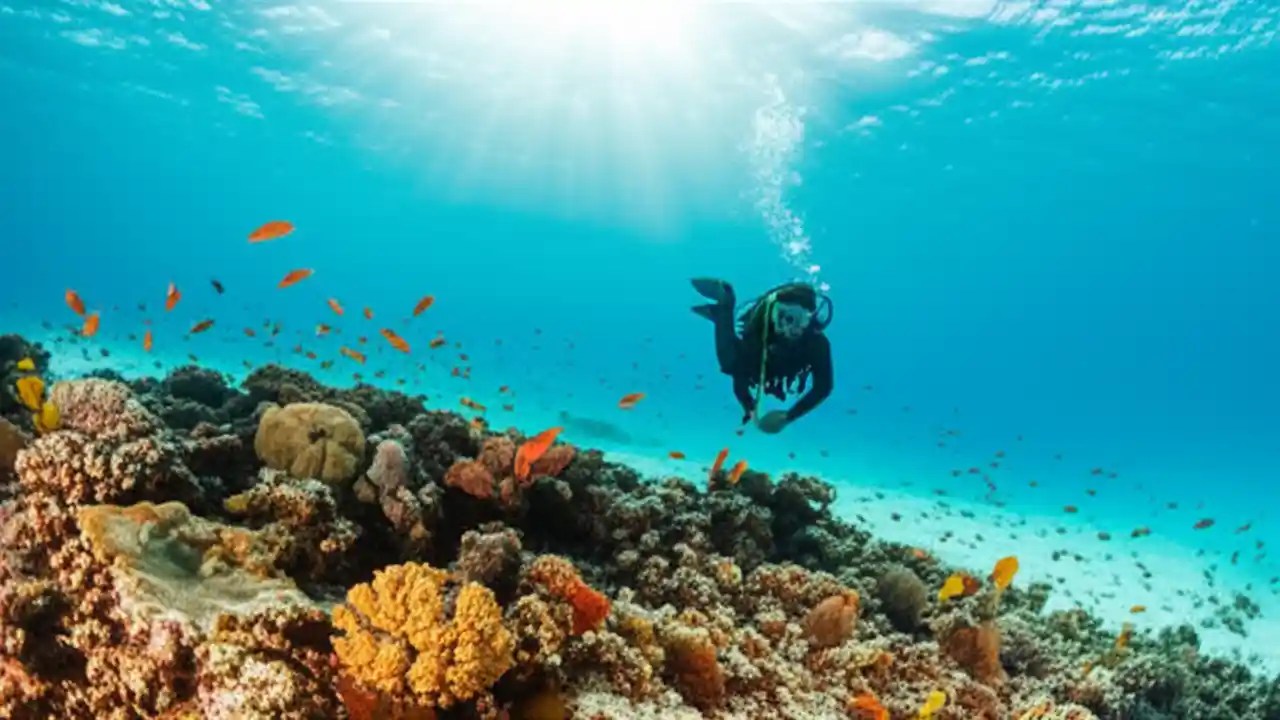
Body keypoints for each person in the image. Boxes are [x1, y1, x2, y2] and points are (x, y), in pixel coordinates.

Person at [690, 278, 833, 433]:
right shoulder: (760, 333)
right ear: (772, 313)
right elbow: (740, 374)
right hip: (757, 364)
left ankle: (720, 312)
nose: (790, 327)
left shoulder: (817, 344)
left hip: (771, 369)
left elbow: (823, 387)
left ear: (810, 319)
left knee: (732, 362)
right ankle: (724, 309)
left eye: (801, 319)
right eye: (784, 316)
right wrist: (749, 408)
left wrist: (788, 417)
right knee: (729, 362)